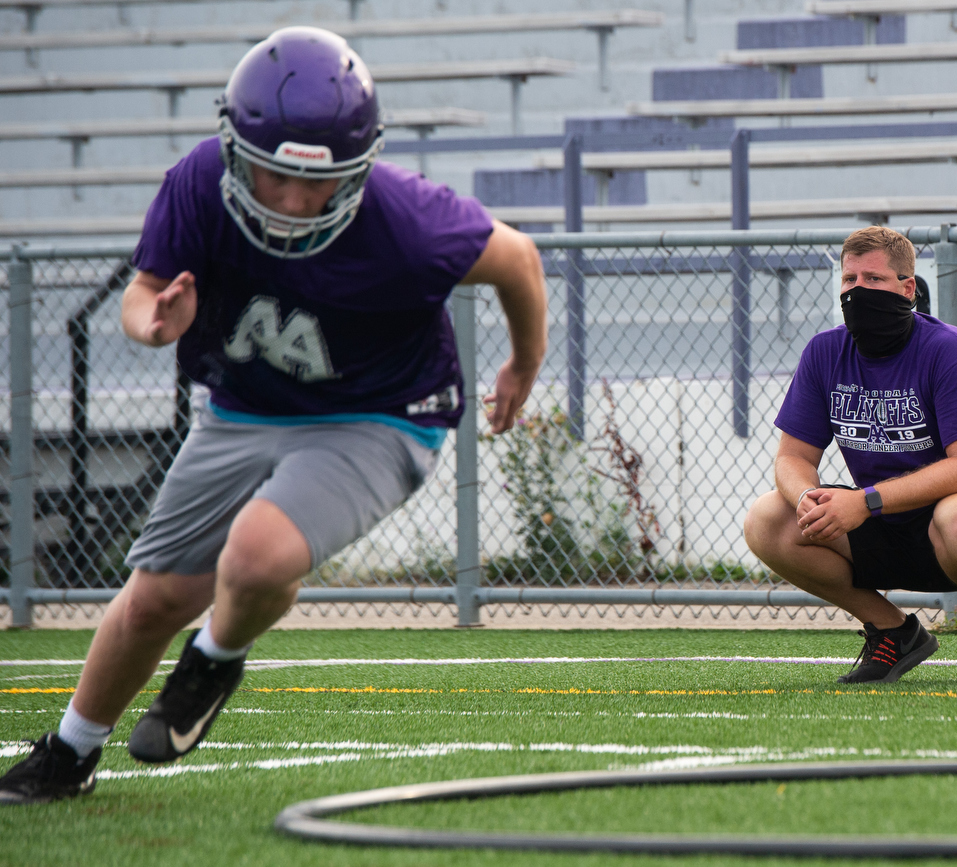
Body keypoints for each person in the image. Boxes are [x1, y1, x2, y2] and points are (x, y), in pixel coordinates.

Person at [0, 26, 547, 805]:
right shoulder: (200, 182)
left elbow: (518, 259)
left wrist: (524, 363)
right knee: (153, 598)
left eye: (316, 182)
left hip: (377, 413)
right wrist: (150, 322)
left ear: (359, 170)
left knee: (256, 557)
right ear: (235, 152)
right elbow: (143, 291)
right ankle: (70, 753)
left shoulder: (407, 219)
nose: (291, 201)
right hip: (247, 406)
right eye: (274, 174)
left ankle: (214, 659)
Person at [744, 226, 957, 686]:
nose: (857, 291)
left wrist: (864, 501)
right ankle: (893, 632)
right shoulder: (825, 352)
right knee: (767, 518)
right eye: (849, 280)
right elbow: (791, 458)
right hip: (889, 519)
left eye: (873, 279)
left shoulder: (948, 349)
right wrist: (807, 497)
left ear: (907, 289)